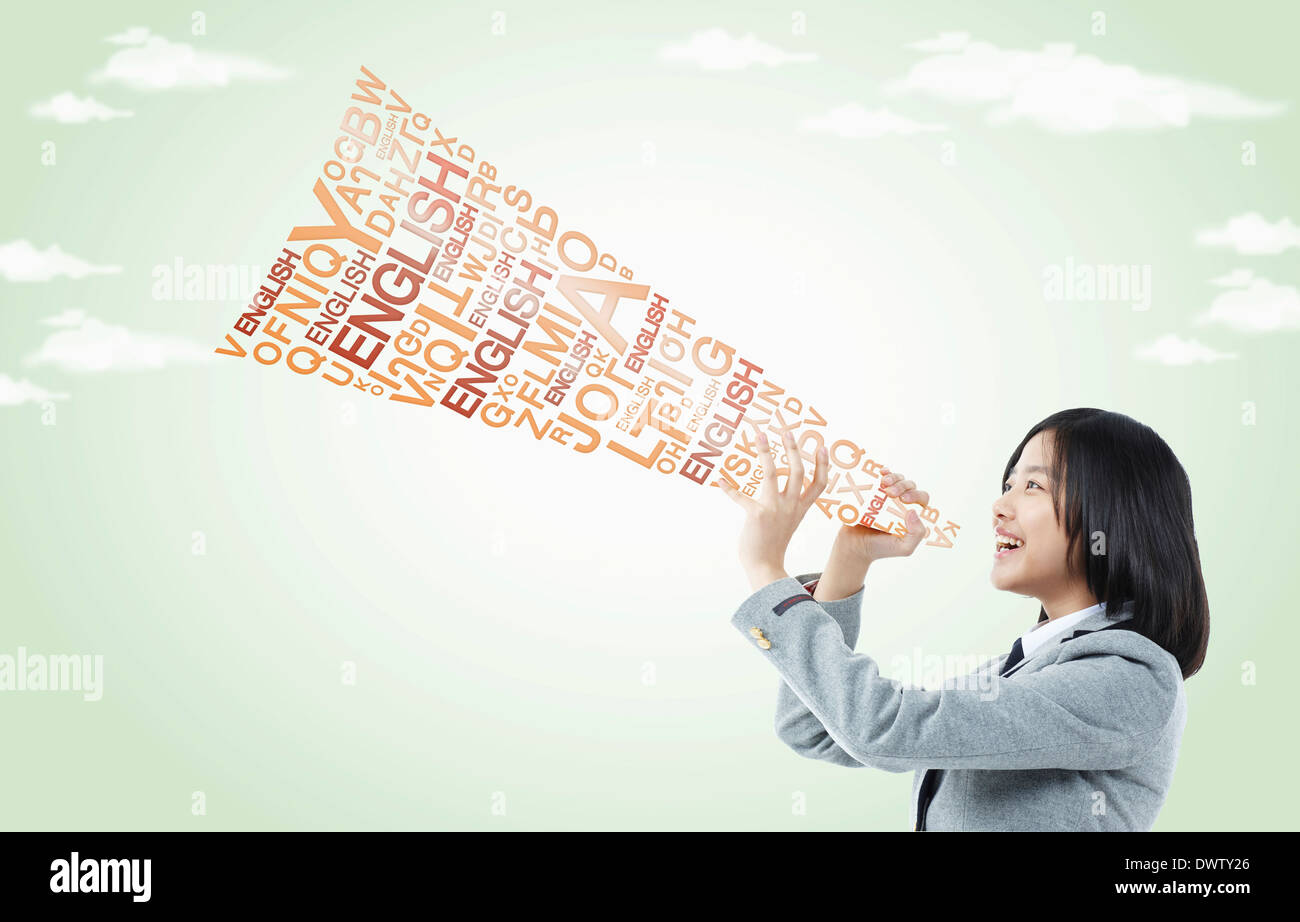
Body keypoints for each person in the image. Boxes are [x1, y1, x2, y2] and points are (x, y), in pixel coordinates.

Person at [720, 408, 1209, 831]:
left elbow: (881, 728)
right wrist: (849, 562)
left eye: (1033, 485)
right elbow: (815, 729)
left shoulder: (1128, 680)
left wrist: (767, 572)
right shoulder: (1014, 672)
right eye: (1008, 484)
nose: (1000, 506)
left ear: (1114, 516)